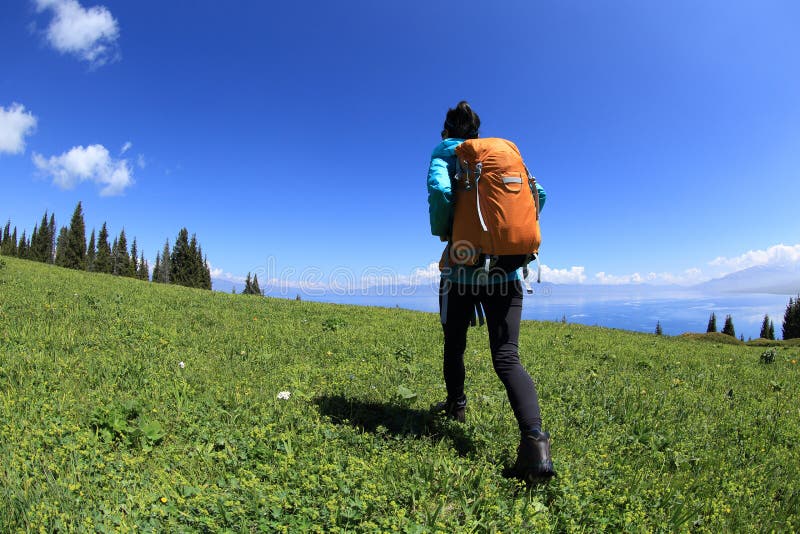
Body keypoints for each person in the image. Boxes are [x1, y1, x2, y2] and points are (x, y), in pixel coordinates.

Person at [426, 101, 554, 480]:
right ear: (477, 133)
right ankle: (535, 445)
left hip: (461, 272)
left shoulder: (446, 154)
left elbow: (439, 193)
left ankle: (457, 405)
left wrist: (448, 231)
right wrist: (503, 238)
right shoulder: (500, 156)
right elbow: (539, 195)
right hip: (506, 272)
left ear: (446, 131)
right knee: (507, 357)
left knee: (454, 343)